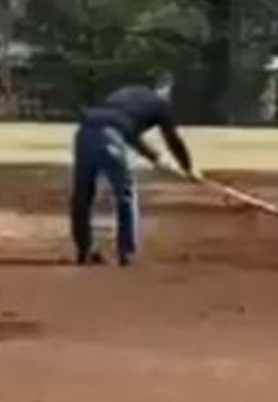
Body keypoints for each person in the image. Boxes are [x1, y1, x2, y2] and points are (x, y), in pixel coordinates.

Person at [70, 73, 198, 266]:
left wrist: (154, 156)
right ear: (166, 91)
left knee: (82, 195)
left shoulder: (128, 93)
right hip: (110, 136)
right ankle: (126, 252)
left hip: (84, 133)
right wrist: (187, 167)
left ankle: (84, 250)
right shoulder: (160, 104)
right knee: (125, 195)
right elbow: (173, 140)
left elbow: (125, 129)